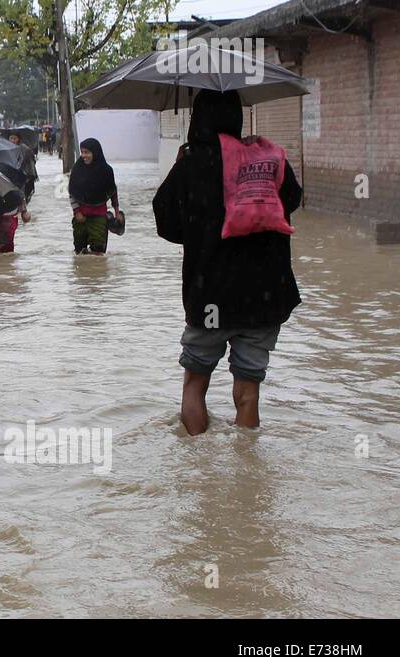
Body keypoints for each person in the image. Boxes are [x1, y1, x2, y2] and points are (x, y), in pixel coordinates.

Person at [152, 90, 302, 435]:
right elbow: (292, 201)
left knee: (194, 385)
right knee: (249, 392)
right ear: (238, 117)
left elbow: (166, 223)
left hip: (210, 297)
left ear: (197, 119)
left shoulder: (190, 164)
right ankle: (246, 473)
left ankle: (200, 473)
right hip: (264, 296)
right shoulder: (267, 160)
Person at [68, 138, 122, 254]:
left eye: (87, 152)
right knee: (79, 251)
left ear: (95, 152)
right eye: (82, 152)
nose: (83, 155)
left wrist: (117, 212)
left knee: (98, 252)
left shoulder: (106, 171)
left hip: (99, 217)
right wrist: (77, 212)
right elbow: (72, 192)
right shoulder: (77, 170)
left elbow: (113, 191)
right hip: (80, 218)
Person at [9, 131, 38, 203]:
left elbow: (30, 165)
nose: (13, 140)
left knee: (23, 197)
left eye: (15, 138)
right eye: (11, 138)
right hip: (12, 178)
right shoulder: (7, 148)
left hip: (24, 177)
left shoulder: (25, 149)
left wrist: (28, 177)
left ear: (18, 139)